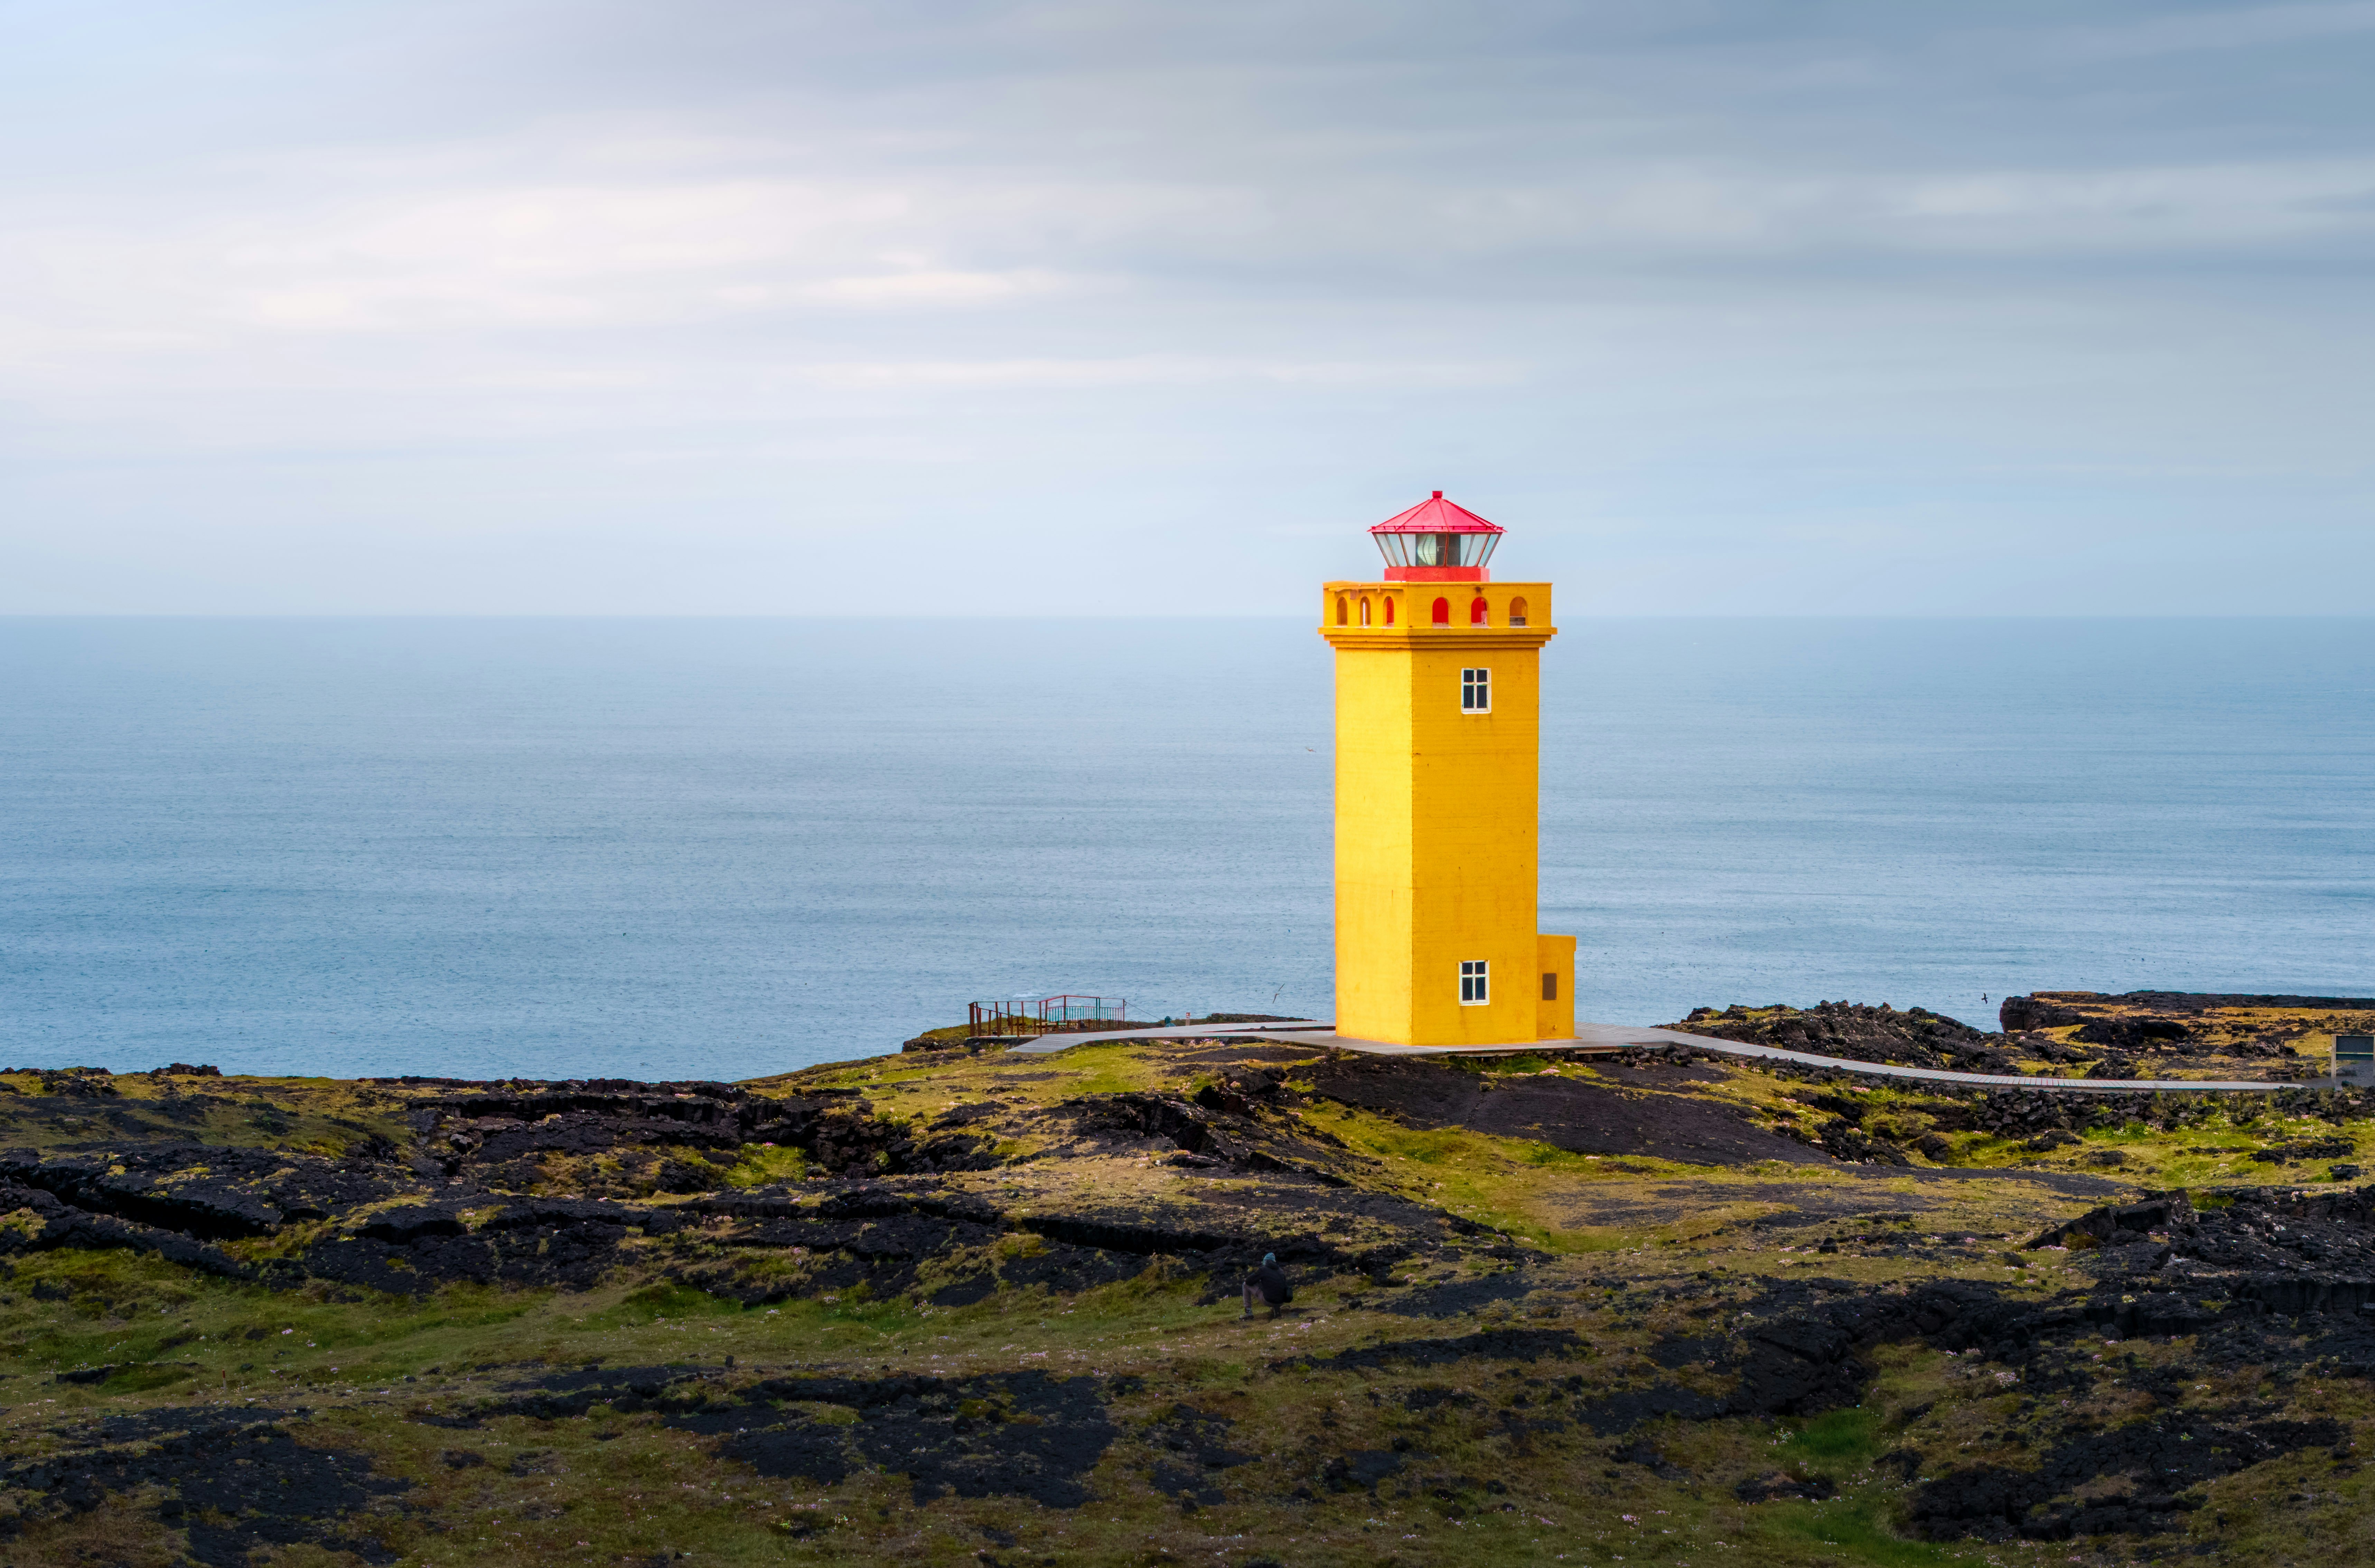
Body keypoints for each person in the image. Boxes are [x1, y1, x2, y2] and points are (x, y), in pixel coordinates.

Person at [1242, 1252, 1292, 1319]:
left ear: (1266, 1261)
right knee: (1274, 1289)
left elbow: (1249, 1281)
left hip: (1269, 1301)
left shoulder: (1263, 1270)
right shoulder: (1281, 1271)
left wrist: (1259, 1281)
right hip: (1281, 1301)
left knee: (1245, 1285)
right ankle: (1276, 1309)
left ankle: (1249, 1312)